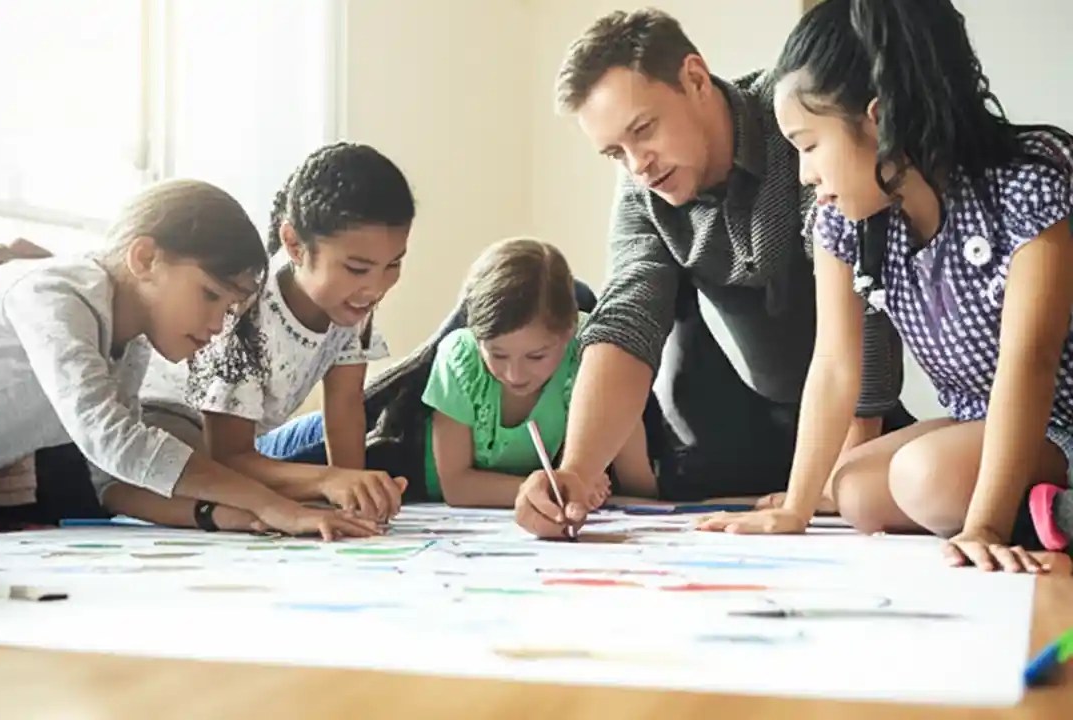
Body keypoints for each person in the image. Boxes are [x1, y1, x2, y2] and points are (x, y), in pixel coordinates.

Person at [696, 0, 1073, 573]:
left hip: (1057, 421)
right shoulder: (846, 221)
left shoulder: (1026, 183)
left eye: (809, 145)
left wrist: (985, 525)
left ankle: (1056, 513)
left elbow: (1031, 361)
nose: (804, 174)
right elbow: (833, 365)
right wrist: (797, 506)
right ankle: (1029, 504)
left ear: (878, 120)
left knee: (926, 478)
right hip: (977, 419)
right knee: (853, 489)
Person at [514, 8, 915, 537]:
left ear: (695, 78)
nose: (638, 165)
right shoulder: (641, 189)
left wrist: (833, 485)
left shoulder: (797, 120)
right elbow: (626, 320)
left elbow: (860, 311)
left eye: (644, 129)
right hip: (723, 440)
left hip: (851, 419)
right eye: (616, 152)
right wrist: (574, 473)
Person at [0, 179, 377, 541]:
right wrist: (270, 503)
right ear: (144, 258)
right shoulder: (56, 295)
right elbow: (112, 442)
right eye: (209, 296)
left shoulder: (130, 346)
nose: (217, 325)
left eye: (230, 311)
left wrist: (232, 515)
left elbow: (113, 479)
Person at [143, 142, 412, 523]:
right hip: (174, 429)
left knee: (374, 424)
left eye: (393, 265)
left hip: (255, 444)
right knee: (237, 494)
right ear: (295, 245)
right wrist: (329, 480)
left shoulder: (352, 306)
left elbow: (346, 407)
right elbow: (228, 458)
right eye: (356, 268)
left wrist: (355, 494)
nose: (376, 288)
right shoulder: (243, 312)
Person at [422, 238, 655, 507]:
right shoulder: (459, 357)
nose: (514, 374)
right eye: (497, 354)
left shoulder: (592, 350)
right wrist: (562, 488)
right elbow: (457, 487)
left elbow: (639, 484)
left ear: (569, 332)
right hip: (435, 504)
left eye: (536, 356)